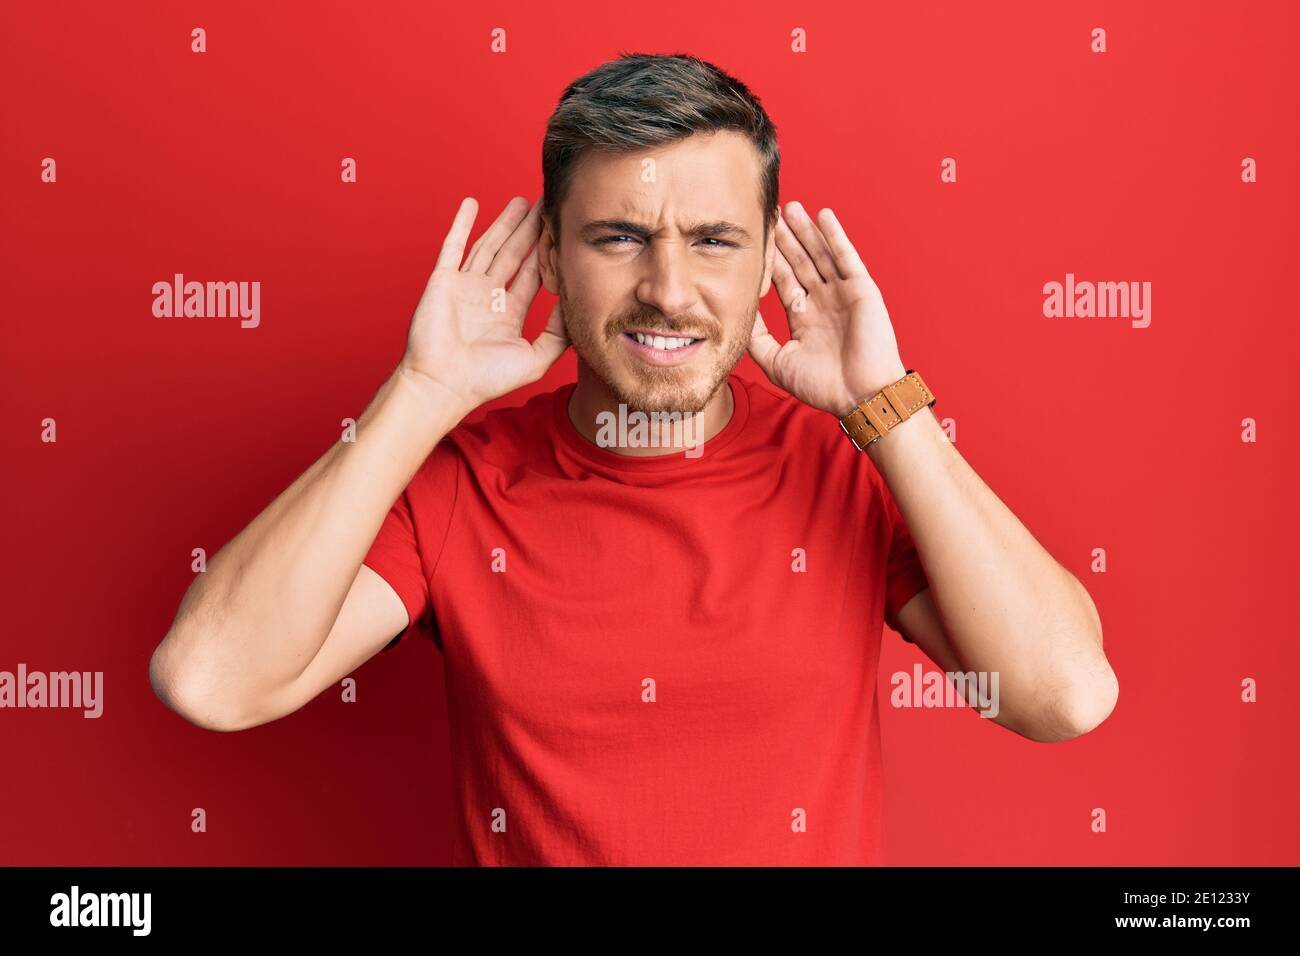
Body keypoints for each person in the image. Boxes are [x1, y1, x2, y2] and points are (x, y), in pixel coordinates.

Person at [150, 53, 1117, 865]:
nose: (668, 289)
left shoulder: (851, 464)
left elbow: (1064, 695)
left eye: (712, 241)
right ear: (554, 254)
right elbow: (211, 681)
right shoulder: (463, 482)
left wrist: (888, 406)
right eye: (619, 237)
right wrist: (422, 393)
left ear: (764, 262)